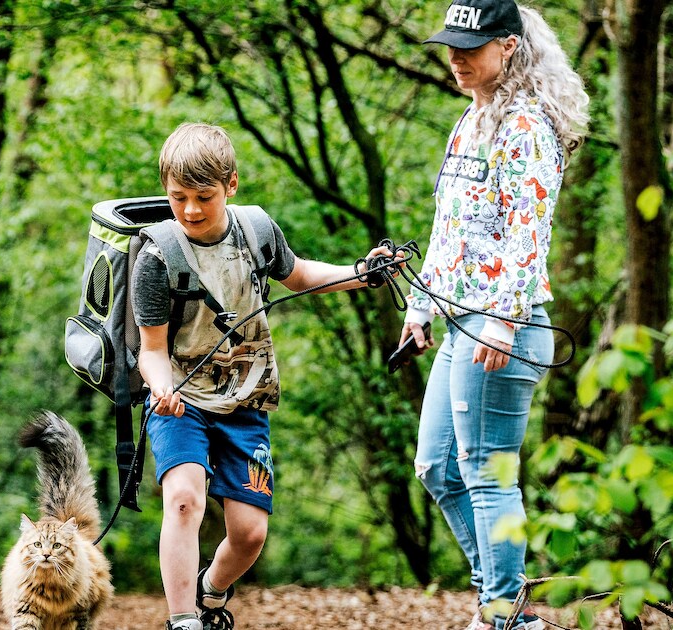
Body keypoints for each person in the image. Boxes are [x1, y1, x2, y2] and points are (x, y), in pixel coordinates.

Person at [135, 122, 397, 630]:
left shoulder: (255, 231)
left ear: (230, 185)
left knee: (250, 533)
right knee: (184, 499)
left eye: (203, 197)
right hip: (181, 400)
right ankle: (182, 620)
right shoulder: (156, 257)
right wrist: (160, 385)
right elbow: (151, 348)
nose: (190, 209)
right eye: (178, 197)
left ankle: (211, 593)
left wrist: (359, 273)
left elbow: (299, 275)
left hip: (246, 400)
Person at [402, 1, 589, 629]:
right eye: (450, 45)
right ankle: (506, 608)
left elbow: (526, 234)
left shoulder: (527, 127)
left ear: (508, 47)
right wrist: (421, 302)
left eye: (470, 47)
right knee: (435, 466)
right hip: (459, 320)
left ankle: (502, 613)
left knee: (487, 475)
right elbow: (449, 228)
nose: (455, 58)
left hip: (501, 326)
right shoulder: (470, 120)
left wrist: (504, 320)